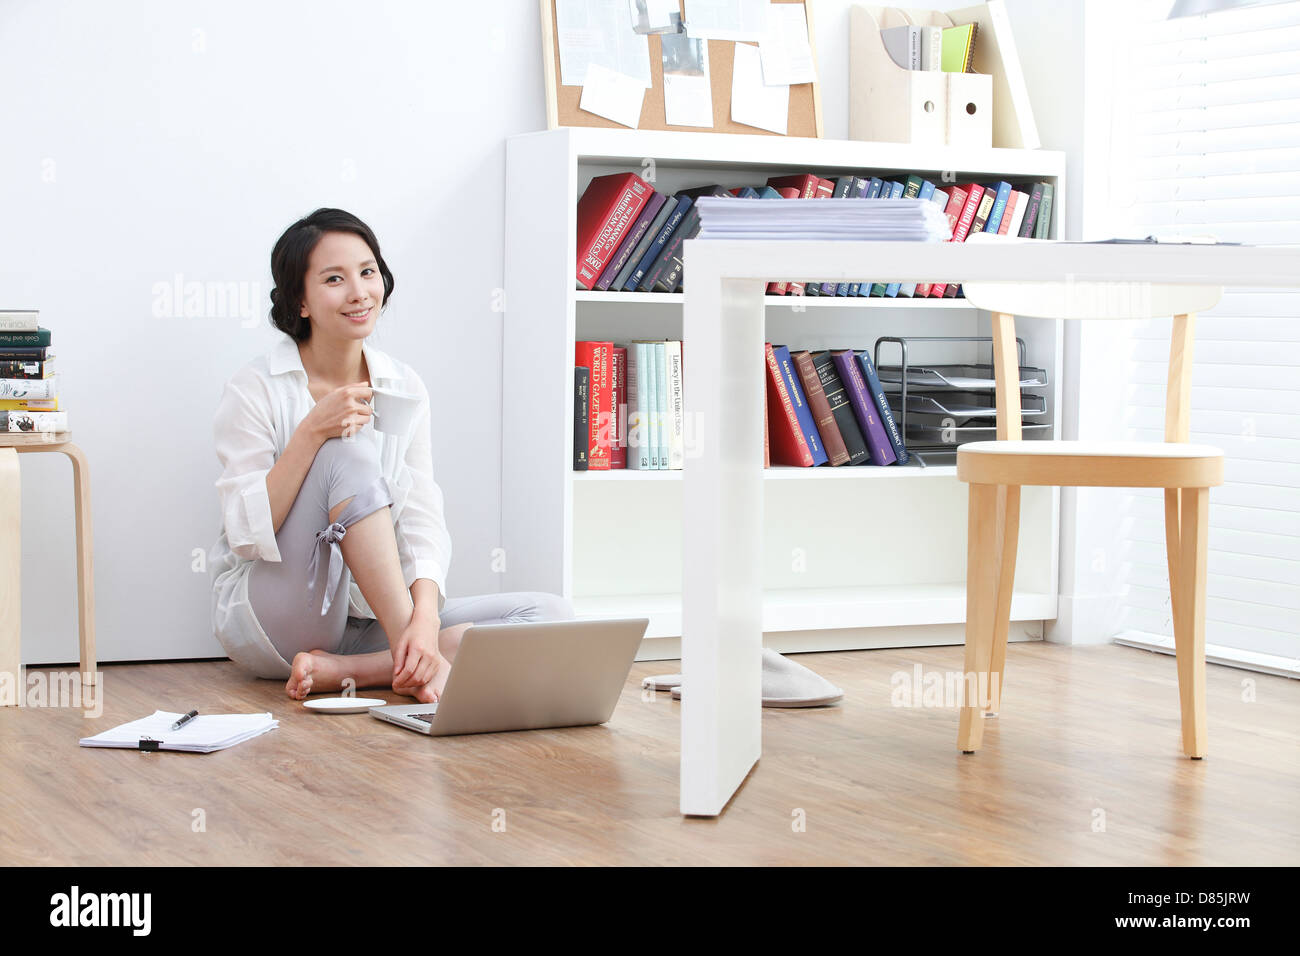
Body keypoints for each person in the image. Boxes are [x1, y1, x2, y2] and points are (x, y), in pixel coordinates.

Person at [208, 208, 572, 703]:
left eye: (367, 271)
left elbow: (422, 512)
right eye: (334, 279)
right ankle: (419, 660)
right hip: (281, 617)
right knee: (348, 453)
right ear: (301, 300)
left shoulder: (403, 385)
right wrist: (312, 432)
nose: (359, 292)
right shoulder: (255, 387)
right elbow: (244, 534)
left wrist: (424, 616)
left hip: (368, 619)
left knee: (547, 615)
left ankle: (359, 668)